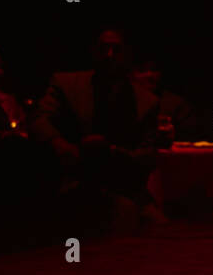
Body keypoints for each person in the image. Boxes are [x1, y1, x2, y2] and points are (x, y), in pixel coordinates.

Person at [29, 29, 166, 233]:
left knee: (159, 230)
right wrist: (62, 145)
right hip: (70, 180)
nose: (109, 55)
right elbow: (38, 120)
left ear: (128, 55)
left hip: (123, 186)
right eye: (103, 48)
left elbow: (147, 157)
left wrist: (108, 151)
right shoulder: (67, 85)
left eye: (116, 50)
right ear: (93, 52)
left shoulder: (146, 102)